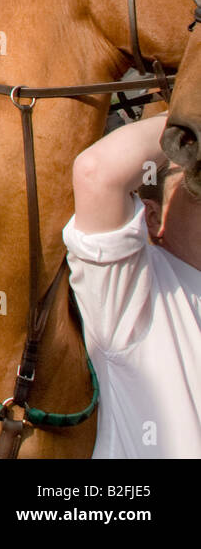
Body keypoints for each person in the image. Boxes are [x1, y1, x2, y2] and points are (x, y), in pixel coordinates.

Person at [64, 115, 201, 457]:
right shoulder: (134, 293)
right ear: (153, 218)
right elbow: (98, 174)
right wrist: (192, 113)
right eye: (196, 183)